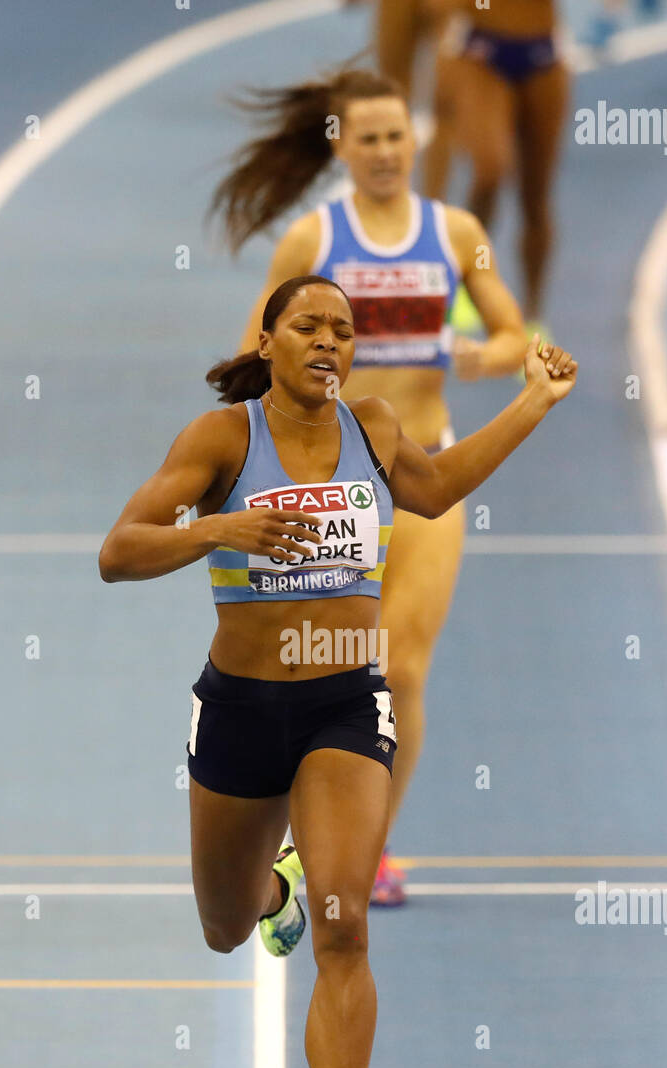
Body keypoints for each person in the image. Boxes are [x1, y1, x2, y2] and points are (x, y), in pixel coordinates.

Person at [98, 275, 576, 1068]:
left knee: (345, 923)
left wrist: (532, 398)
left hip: (343, 704)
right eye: (308, 326)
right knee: (224, 930)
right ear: (267, 340)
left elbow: (435, 490)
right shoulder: (221, 440)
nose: (329, 342)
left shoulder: (372, 425)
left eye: (343, 331)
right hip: (240, 711)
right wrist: (215, 530)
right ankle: (267, 895)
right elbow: (117, 551)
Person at [209, 65, 528, 905]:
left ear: (414, 140)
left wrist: (468, 353)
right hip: (329, 489)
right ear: (340, 146)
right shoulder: (312, 243)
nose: (385, 151)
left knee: (403, 672)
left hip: (419, 469)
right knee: (320, 662)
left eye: (397, 136)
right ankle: (290, 828)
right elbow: (256, 353)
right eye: (369, 138)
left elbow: (511, 335)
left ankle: (367, 849)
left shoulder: (455, 233)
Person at [431, 0, 569, 328]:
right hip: (482, 52)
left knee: (535, 197)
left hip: (543, 53)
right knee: (490, 170)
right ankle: (466, 283)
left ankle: (533, 319)